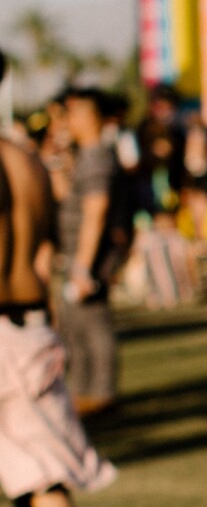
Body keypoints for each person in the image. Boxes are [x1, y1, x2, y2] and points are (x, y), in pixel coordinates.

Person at [0, 54, 115, 507]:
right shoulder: (24, 158)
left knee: (41, 481)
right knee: (45, 481)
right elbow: (40, 253)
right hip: (30, 328)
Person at [57, 86, 121, 414]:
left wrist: (82, 266)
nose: (67, 121)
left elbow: (95, 214)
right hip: (76, 254)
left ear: (89, 117)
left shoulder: (96, 156)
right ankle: (83, 390)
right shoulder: (85, 155)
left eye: (72, 113)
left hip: (88, 258)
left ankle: (100, 392)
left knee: (92, 324)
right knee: (74, 325)